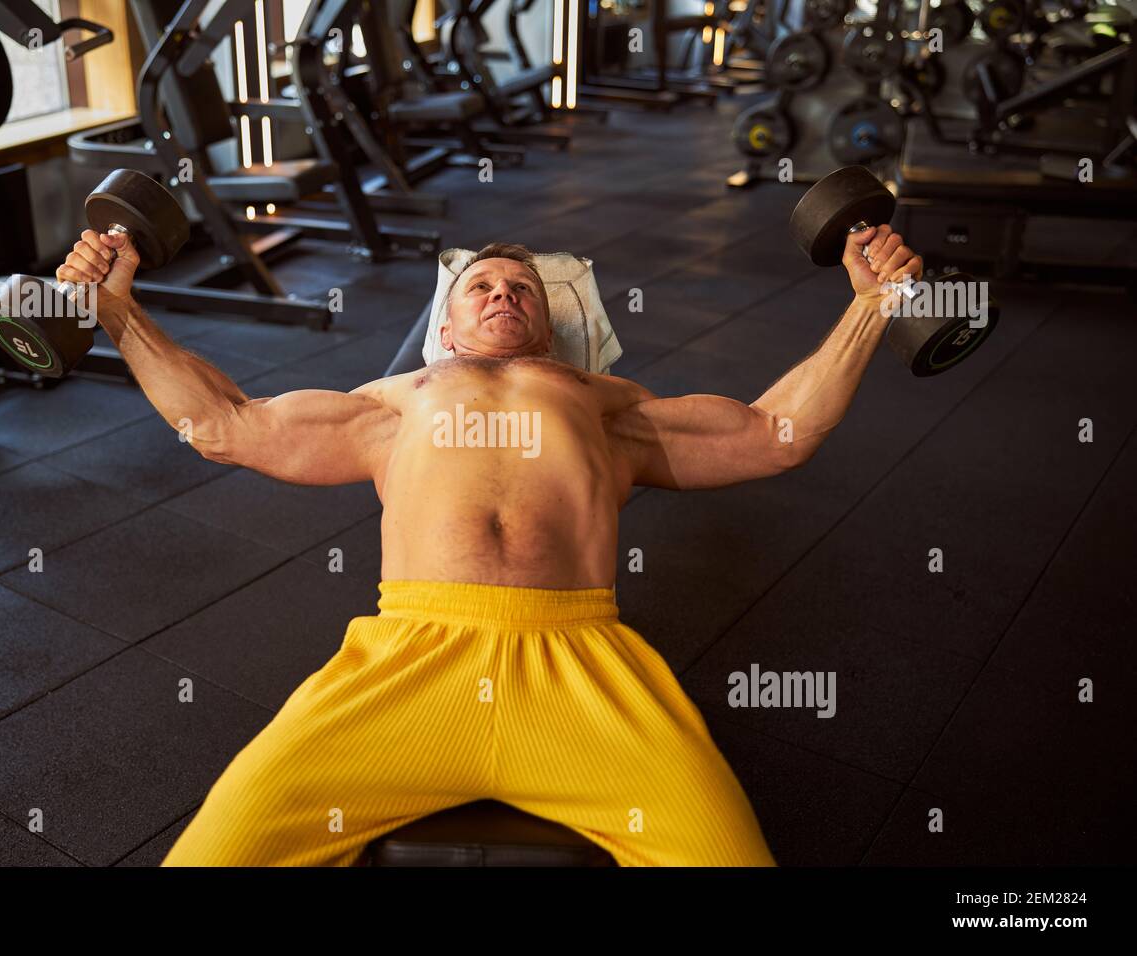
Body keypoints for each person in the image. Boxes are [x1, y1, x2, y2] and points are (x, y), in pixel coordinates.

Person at [54, 223, 922, 866]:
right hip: (403, 667)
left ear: (549, 322)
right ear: (449, 325)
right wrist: (116, 310)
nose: (503, 293)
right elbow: (222, 425)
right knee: (214, 855)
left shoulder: (606, 403)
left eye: (523, 289)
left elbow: (777, 434)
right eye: (481, 287)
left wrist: (872, 308)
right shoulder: (394, 404)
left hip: (584, 671)